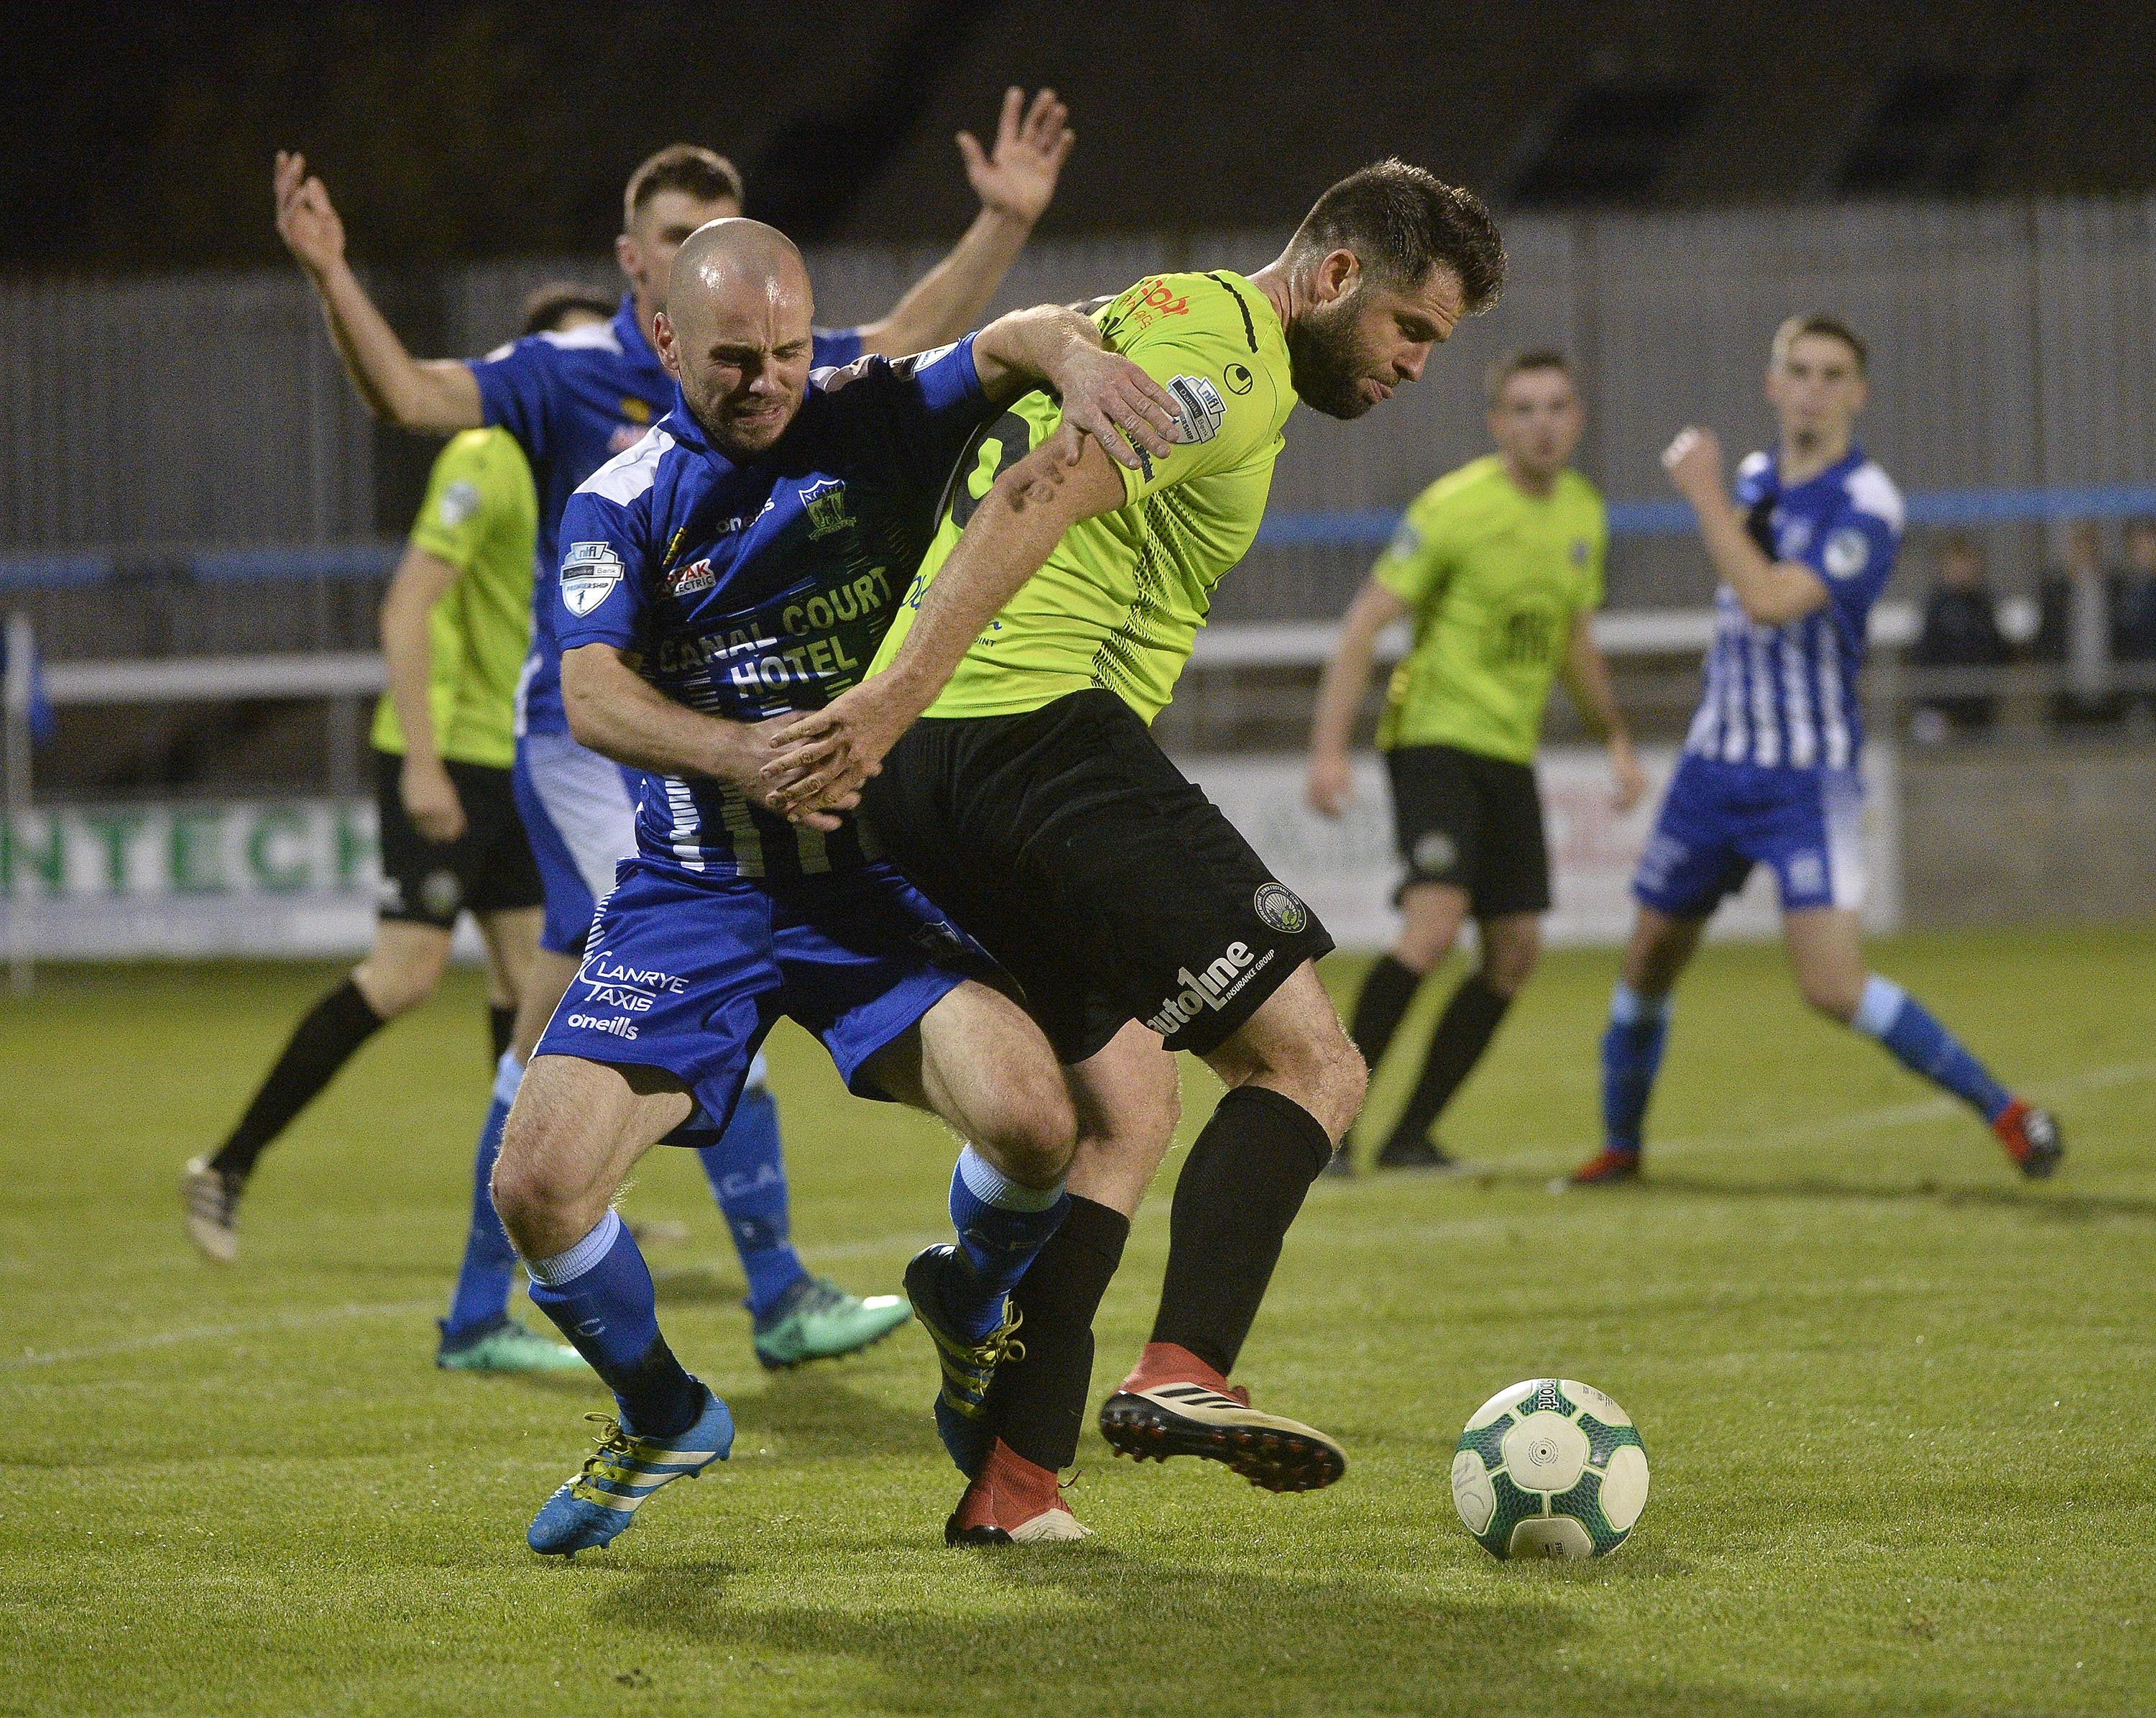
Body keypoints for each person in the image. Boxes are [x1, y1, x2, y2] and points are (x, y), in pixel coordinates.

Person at [260, 93, 1077, 1369]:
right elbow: (412, 396)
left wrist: (1002, 226)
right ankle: (772, 1295)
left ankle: (483, 1312)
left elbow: (914, 340)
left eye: (725, 229)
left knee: (551, 1024)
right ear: (639, 268)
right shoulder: (568, 376)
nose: (761, 360)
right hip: (594, 747)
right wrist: (330, 275)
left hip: (780, 777)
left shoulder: (792, 375)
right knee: (702, 973)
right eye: (684, 235)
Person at [765, 160, 1508, 1543]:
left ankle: (1016, 1484)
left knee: (1126, 1107)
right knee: (1310, 1064)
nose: (1415, 365)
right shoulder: (1235, 363)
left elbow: (1013, 389)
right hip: (1024, 737)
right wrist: (889, 698)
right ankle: (1186, 1369)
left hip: (938, 769)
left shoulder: (1169, 307)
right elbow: (1040, 492)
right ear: (1336, 275)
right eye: (1412, 329)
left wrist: (895, 713)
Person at [491, 218, 1184, 1556]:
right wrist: (742, 755)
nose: (767, 382)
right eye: (733, 360)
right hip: (697, 895)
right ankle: (664, 1413)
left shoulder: (868, 412)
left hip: (878, 885)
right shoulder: (620, 499)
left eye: (790, 352)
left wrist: (1080, 363)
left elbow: (1014, 336)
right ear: (665, 342)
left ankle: (968, 1304)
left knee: (1037, 1126)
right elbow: (590, 697)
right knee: (539, 1186)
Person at [183, 285, 605, 1369]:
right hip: (449, 753)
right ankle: (228, 1163)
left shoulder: (577, 467)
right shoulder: (486, 454)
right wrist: (421, 757)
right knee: (406, 975)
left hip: (516, 757)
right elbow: (406, 604)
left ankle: (543, 1200)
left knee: (534, 983)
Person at [1564, 315, 2062, 1189]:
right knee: (1648, 957)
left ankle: (2007, 1112)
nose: (1813, 389)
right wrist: (1726, 496)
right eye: (1799, 370)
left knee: (1832, 985)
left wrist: (1702, 494)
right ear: (1773, 383)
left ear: (1858, 394)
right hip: (1714, 764)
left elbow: (1767, 599)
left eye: (1833, 375)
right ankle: (1621, 1146)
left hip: (1806, 776)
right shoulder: (1757, 479)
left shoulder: (1867, 503)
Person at [1306, 349, 1643, 1173]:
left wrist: (1614, 736)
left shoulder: (1584, 514)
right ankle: (1328, 1125)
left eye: (1556, 406)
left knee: (1515, 951)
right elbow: (1365, 623)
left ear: (1578, 419)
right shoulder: (1455, 507)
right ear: (1497, 424)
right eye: (1523, 409)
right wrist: (1328, 749)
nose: (1542, 424)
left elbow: (1574, 639)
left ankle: (1411, 1134)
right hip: (1434, 738)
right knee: (1433, 925)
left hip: (1508, 752)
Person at [1907, 532, 2009, 740]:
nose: (1961, 570)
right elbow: (1926, 655)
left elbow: (1995, 650)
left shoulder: (1984, 604)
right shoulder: (1936, 606)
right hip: (1940, 704)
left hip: (1979, 705)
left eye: (1966, 564)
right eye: (1955, 564)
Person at [2035, 520, 2124, 725]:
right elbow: (2047, 640)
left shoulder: (2115, 588)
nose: (2085, 551)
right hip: (2066, 696)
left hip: (2111, 692)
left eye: (2090, 543)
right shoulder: (2054, 592)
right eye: (2079, 544)